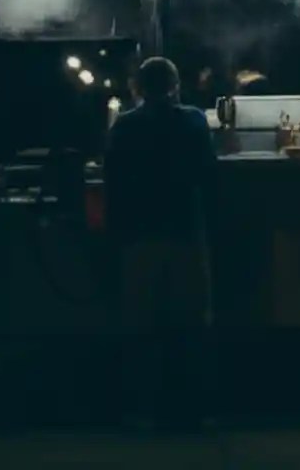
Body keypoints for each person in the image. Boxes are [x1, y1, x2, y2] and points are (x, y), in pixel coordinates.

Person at [104, 57, 216, 431]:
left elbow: (113, 182)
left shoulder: (124, 126)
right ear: (175, 86)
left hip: (139, 235)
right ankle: (191, 410)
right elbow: (208, 173)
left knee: (141, 327)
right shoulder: (194, 121)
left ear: (137, 88)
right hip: (184, 231)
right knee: (189, 326)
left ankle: (141, 409)